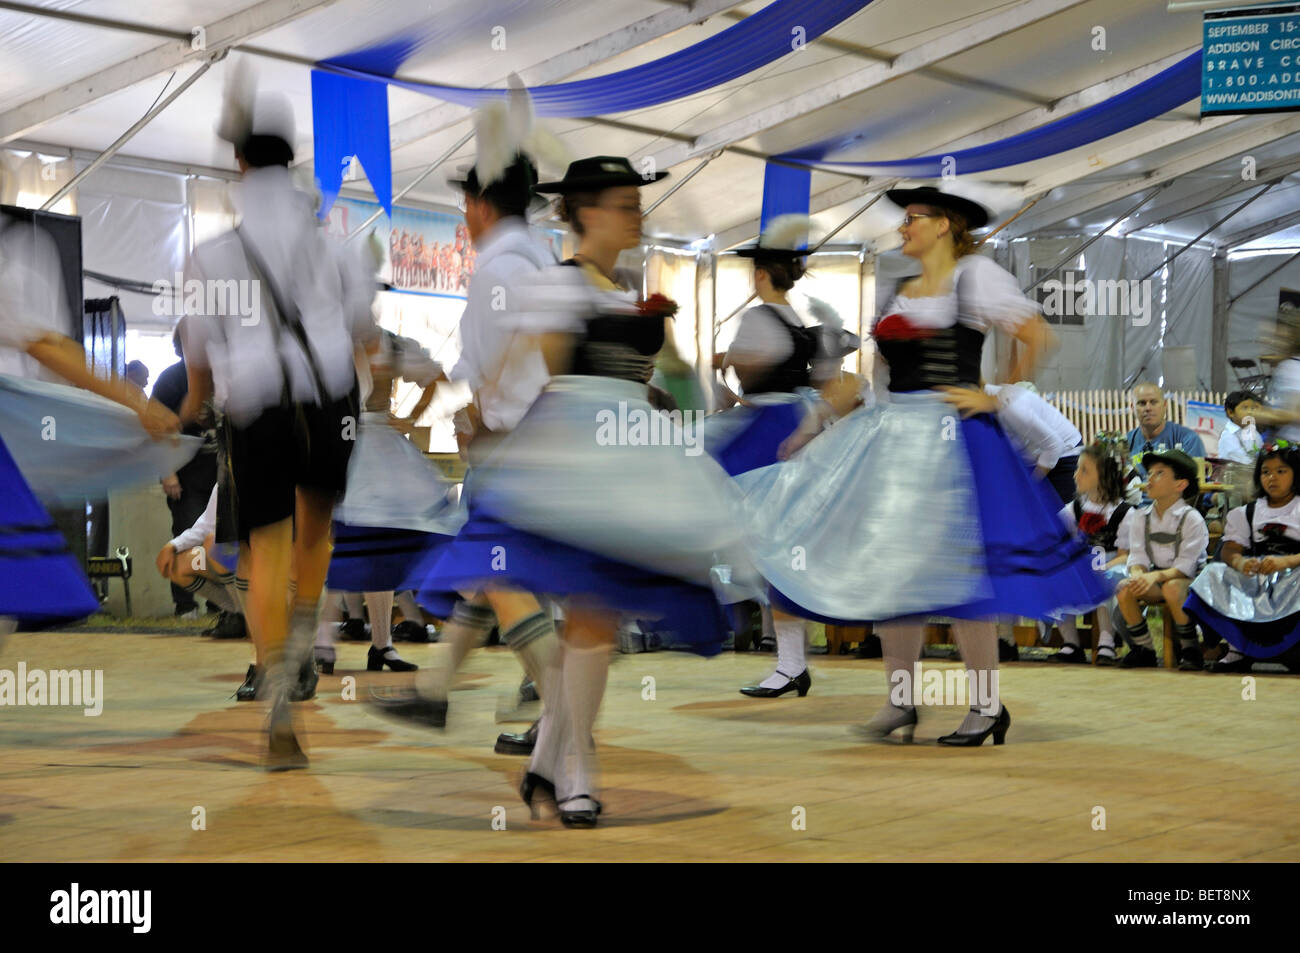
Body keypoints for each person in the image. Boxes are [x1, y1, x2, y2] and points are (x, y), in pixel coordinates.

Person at [412, 155, 762, 825]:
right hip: (579, 452)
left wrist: (674, 399)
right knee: (590, 616)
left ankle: (551, 765)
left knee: (595, 618)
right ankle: (572, 768)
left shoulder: (626, 285)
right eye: (627, 204)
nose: (638, 214)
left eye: (637, 204)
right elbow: (543, 370)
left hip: (630, 451)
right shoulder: (560, 285)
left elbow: (663, 376)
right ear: (589, 211)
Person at [736, 185, 1110, 746]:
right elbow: (879, 377)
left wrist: (994, 396)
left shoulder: (974, 277)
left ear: (944, 225)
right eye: (904, 218)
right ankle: (900, 702)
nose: (903, 226)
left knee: (963, 577)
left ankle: (986, 707)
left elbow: (1034, 333)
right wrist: (816, 423)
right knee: (897, 575)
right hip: (897, 435)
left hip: (954, 438)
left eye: (913, 218)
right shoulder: (900, 289)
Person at [180, 72, 370, 770]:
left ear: (238, 164)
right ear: (291, 164)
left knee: (265, 546)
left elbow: (199, 366)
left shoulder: (211, 255)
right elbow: (361, 335)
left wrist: (184, 408)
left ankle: (275, 681)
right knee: (315, 531)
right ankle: (302, 637)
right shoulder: (333, 241)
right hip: (329, 403)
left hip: (256, 411)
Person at [369, 94, 566, 758]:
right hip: (543, 444)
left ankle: (560, 712)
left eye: (465, 204)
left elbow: (478, 371)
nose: (462, 216)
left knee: (502, 577)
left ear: (483, 205)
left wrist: (444, 415)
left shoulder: (497, 273)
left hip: (513, 449)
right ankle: (436, 687)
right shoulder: (539, 261)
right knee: (487, 574)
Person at [0, 218, 185, 634]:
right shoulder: (14, 258)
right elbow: (47, 347)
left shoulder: (15, 256)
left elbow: (47, 348)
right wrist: (138, 403)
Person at [1185, 440, 1300, 673]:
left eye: (1281, 471)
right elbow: (1230, 549)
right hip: (1259, 577)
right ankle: (1237, 646)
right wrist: (1241, 562)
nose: (1272, 478)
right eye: (1266, 472)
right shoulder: (1248, 512)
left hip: (1293, 577)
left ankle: (1293, 647)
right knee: (1213, 573)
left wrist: (1287, 561)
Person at [1112, 449, 1209, 670]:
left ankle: (1190, 649)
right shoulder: (1141, 516)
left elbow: (1185, 568)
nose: (1150, 478)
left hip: (1191, 581)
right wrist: (1137, 575)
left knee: (1173, 588)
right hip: (1159, 578)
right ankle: (1143, 649)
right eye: (1150, 473)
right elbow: (1137, 556)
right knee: (1125, 588)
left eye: (1159, 473)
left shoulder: (1191, 518)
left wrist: (1153, 576)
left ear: (1180, 485)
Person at [152, 325, 224, 622]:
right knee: (187, 532)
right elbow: (154, 430)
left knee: (222, 538)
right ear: (180, 344)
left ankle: (220, 604)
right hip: (185, 477)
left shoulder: (223, 375)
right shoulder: (170, 380)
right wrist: (167, 474)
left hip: (222, 475)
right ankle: (185, 604)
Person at [1050, 440, 1131, 664]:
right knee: (1058, 578)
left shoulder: (1124, 512)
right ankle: (1071, 642)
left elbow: (1126, 554)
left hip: (1113, 565)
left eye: (1084, 470)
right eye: (1077, 469)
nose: (1076, 475)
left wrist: (1103, 567)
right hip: (1084, 566)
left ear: (1104, 476)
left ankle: (1107, 640)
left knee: (1104, 580)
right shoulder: (1074, 509)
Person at [1125, 382, 1206, 497]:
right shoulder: (1125, 443)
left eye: (1153, 402)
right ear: (1133, 408)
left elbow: (1194, 488)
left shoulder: (1188, 439)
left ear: (1164, 405)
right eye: (1142, 403)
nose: (1148, 408)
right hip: (1133, 510)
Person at [1216, 391, 1263, 465]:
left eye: (1253, 408)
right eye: (1245, 408)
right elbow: (1245, 462)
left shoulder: (1254, 433)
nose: (1250, 412)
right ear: (1231, 412)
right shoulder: (1228, 436)